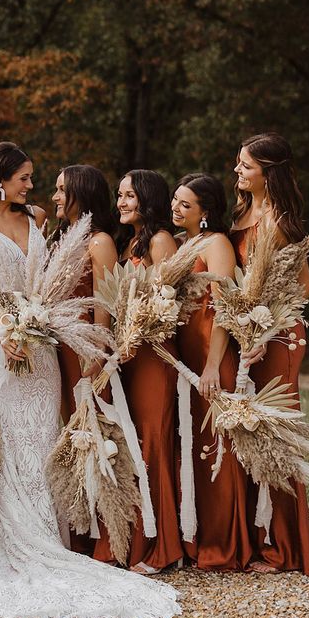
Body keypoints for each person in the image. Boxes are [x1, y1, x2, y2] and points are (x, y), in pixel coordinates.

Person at [0, 142, 180, 618]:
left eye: (34, 179)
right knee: (12, 443)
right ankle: (18, 538)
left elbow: (50, 280)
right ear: (0, 179)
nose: (32, 186)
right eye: (24, 177)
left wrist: (39, 324)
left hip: (44, 349)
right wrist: (4, 334)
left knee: (43, 440)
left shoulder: (36, 218)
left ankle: (50, 537)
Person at [231, 132, 309, 575]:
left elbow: (304, 286)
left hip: (280, 338)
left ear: (269, 172)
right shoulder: (246, 211)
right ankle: (257, 537)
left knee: (278, 437)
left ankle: (289, 549)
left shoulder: (281, 220)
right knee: (250, 432)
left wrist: (271, 325)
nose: (238, 171)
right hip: (249, 336)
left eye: (246, 166)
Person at [172, 173, 254, 571]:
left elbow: (223, 306)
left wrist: (210, 365)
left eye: (186, 205)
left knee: (217, 447)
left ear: (205, 212)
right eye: (175, 201)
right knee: (194, 445)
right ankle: (199, 535)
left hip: (211, 355)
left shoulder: (217, 243)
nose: (176, 208)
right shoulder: (184, 245)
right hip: (186, 355)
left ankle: (225, 543)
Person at [116, 170, 184, 574]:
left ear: (147, 199)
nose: (121, 202)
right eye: (119, 196)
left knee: (154, 443)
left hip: (154, 356)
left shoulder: (160, 241)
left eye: (128, 196)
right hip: (131, 355)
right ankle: (142, 538)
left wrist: (135, 332)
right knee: (138, 444)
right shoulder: (132, 242)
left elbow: (168, 305)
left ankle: (163, 549)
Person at [52, 164, 117, 564]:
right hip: (57, 350)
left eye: (62, 190)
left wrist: (94, 355)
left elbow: (104, 304)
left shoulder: (100, 242)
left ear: (82, 193)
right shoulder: (60, 238)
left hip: (84, 353)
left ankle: (104, 534)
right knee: (70, 437)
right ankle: (76, 527)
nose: (55, 196)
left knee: (94, 435)